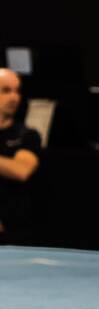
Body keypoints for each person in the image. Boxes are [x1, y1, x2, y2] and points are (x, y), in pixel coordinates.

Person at [0, 69, 41, 243]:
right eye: (6, 90)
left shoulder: (26, 135)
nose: (14, 97)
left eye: (17, 91)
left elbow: (21, 170)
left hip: (13, 235)